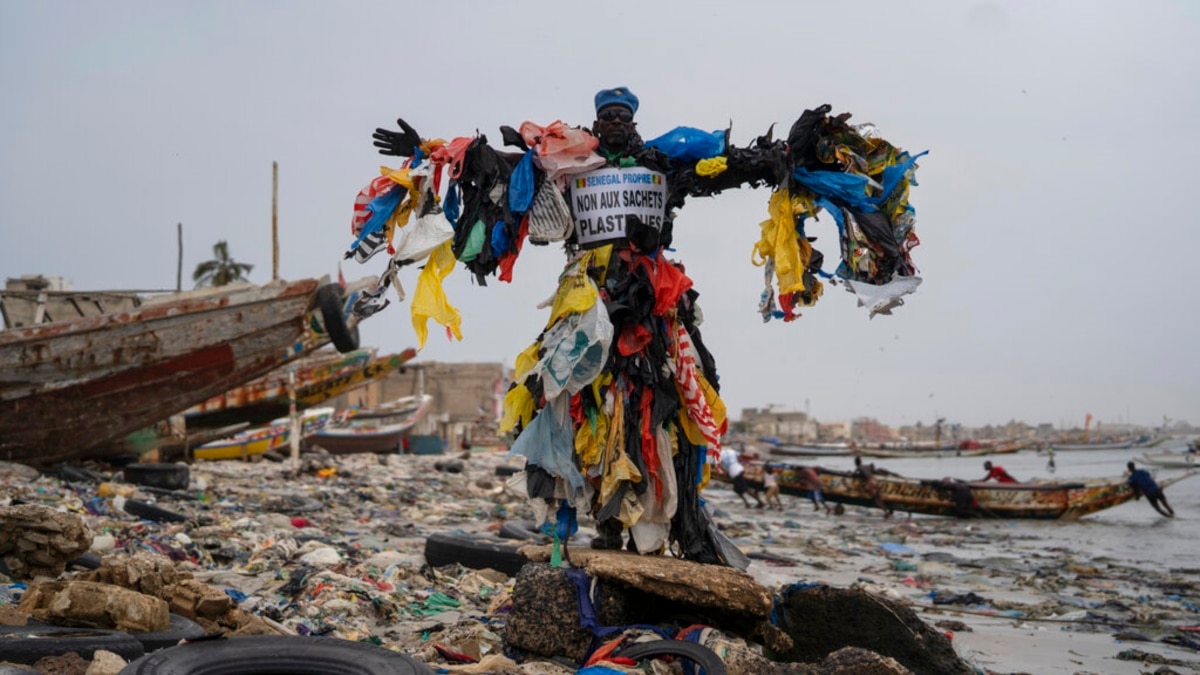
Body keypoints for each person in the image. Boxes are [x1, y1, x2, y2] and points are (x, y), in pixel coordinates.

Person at [360, 87, 923, 566]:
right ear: (595, 121)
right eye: (607, 116)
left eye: (624, 117)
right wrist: (431, 152)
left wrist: (787, 155)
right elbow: (493, 171)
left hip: (655, 303)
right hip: (586, 303)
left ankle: (667, 523)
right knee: (571, 404)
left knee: (666, 400)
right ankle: (600, 527)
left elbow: (735, 166)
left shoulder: (664, 166)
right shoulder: (563, 165)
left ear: (634, 123)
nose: (614, 124)